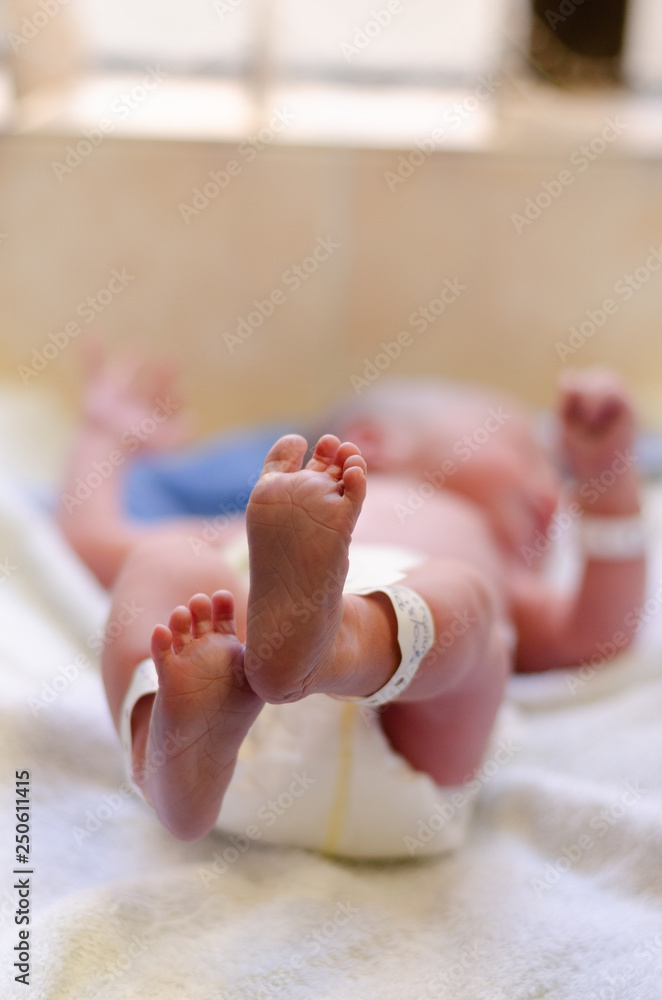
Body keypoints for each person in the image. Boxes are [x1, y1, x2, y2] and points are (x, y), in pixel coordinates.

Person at [57, 349, 646, 857]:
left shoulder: (495, 565)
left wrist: (611, 478)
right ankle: (172, 759)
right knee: (167, 560)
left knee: (466, 603)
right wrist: (107, 434)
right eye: (524, 452)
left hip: (411, 755)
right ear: (373, 441)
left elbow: (597, 632)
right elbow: (94, 539)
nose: (553, 492)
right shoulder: (264, 520)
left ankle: (337, 644)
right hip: (237, 732)